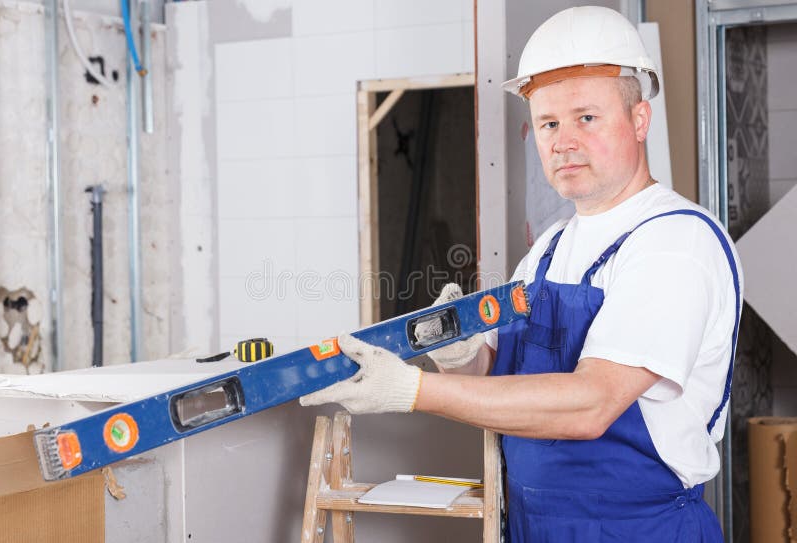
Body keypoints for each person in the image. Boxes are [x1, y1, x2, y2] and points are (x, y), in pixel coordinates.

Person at [301, 6, 742, 542]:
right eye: (548, 123)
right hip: (533, 526)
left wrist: (414, 390)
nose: (563, 141)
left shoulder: (674, 241)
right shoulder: (550, 251)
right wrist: (461, 358)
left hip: (639, 528)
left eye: (587, 117)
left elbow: (592, 404)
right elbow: (497, 387)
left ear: (640, 119)